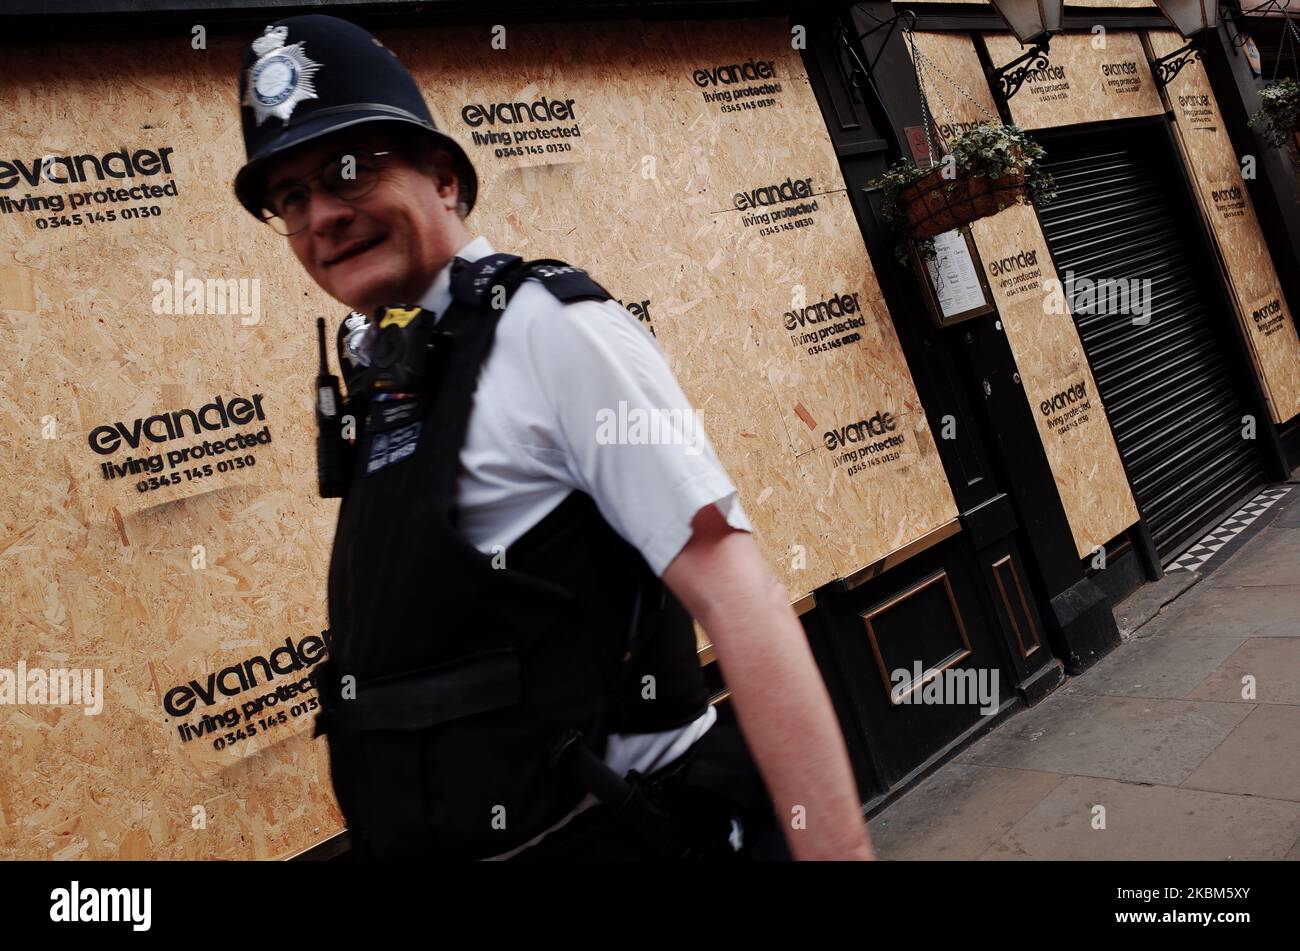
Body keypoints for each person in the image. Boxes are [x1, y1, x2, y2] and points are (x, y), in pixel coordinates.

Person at [233, 13, 874, 861]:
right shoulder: (394, 365)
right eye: (291, 198)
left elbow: (737, 592)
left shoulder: (552, 330)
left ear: (445, 180)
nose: (322, 216)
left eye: (348, 173)